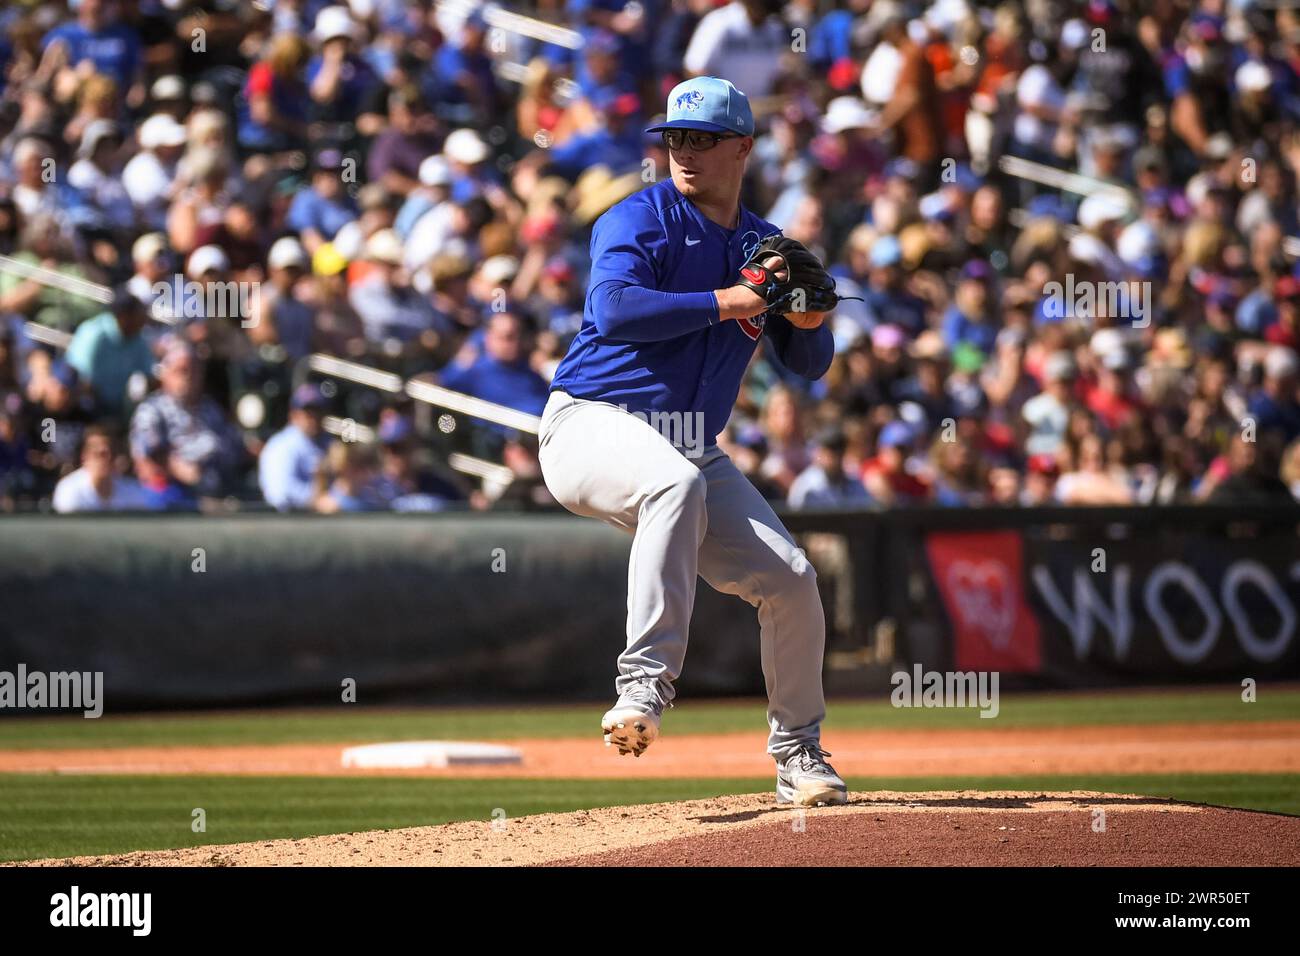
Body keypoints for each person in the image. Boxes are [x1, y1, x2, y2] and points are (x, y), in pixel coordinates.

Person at [538, 76, 847, 807]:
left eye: (702, 139)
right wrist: (731, 301)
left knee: (793, 580)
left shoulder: (763, 248)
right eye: (675, 138)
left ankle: (798, 752)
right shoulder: (638, 218)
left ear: (743, 147)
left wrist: (809, 326)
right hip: (589, 422)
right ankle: (642, 685)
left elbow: (807, 366)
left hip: (686, 447)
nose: (684, 152)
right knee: (671, 485)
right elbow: (614, 311)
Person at [258, 383, 331, 511]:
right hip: (287, 522)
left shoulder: (327, 442)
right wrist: (320, 498)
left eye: (318, 413)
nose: (314, 419)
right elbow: (280, 494)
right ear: (294, 415)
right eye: (308, 414)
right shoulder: (281, 446)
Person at [52, 426, 153, 513]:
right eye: (100, 454)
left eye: (112, 454)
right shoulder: (69, 489)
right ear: (84, 457)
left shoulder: (133, 491)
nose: (106, 459)